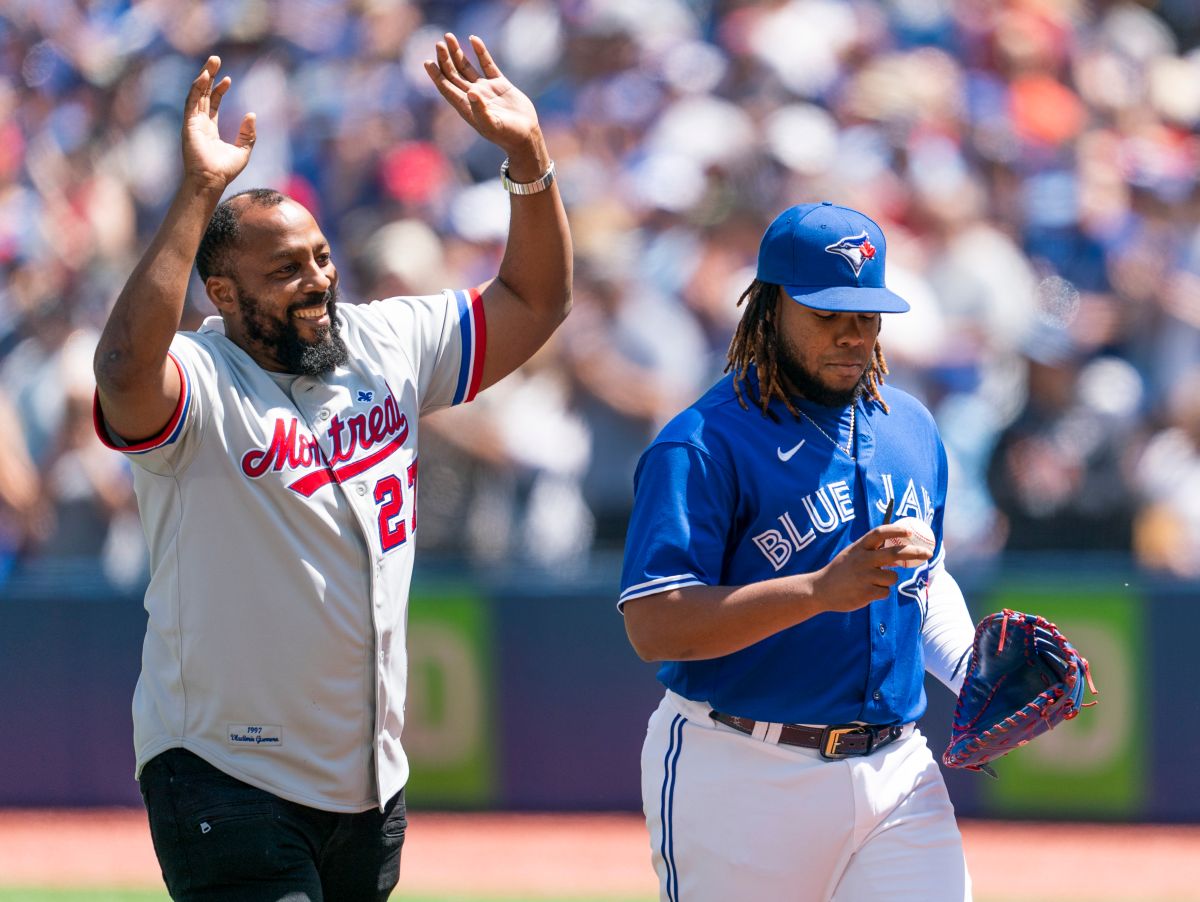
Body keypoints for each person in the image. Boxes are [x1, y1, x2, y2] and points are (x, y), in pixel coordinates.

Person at [92, 34, 570, 901]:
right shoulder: (198, 383)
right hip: (224, 768)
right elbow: (124, 368)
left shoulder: (382, 342)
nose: (315, 280)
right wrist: (201, 191)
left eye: (319, 257)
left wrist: (529, 161)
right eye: (284, 270)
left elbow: (535, 302)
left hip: (367, 780)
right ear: (223, 295)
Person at [619, 202, 978, 901]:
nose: (852, 335)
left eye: (867, 316)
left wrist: (974, 669)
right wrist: (818, 592)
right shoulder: (702, 443)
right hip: (742, 771)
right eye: (827, 314)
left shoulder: (909, 426)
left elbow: (919, 582)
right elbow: (654, 624)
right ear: (770, 306)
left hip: (897, 769)